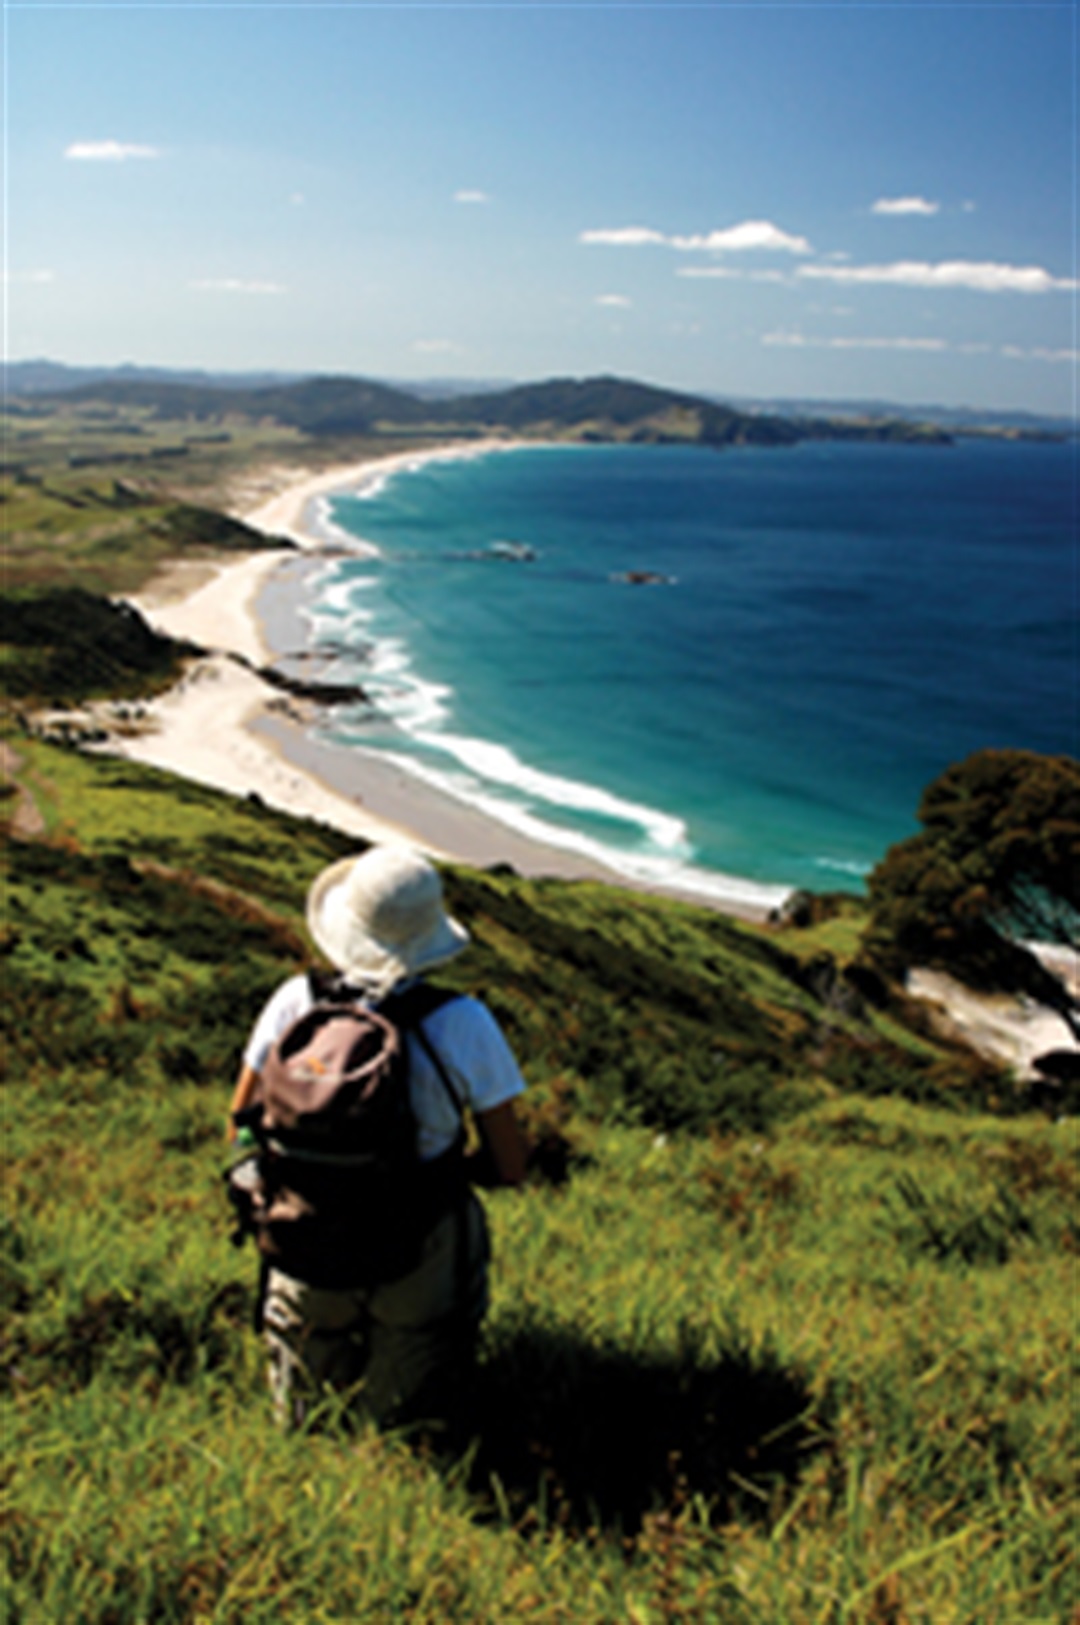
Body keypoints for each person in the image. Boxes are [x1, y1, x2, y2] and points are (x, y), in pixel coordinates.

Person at [228, 843, 529, 1435]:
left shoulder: (296, 1002)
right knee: (402, 1428)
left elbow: (242, 1116)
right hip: (418, 1248)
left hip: (303, 1237)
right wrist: (443, 1172)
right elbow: (511, 1164)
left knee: (302, 1425)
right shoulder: (464, 1022)